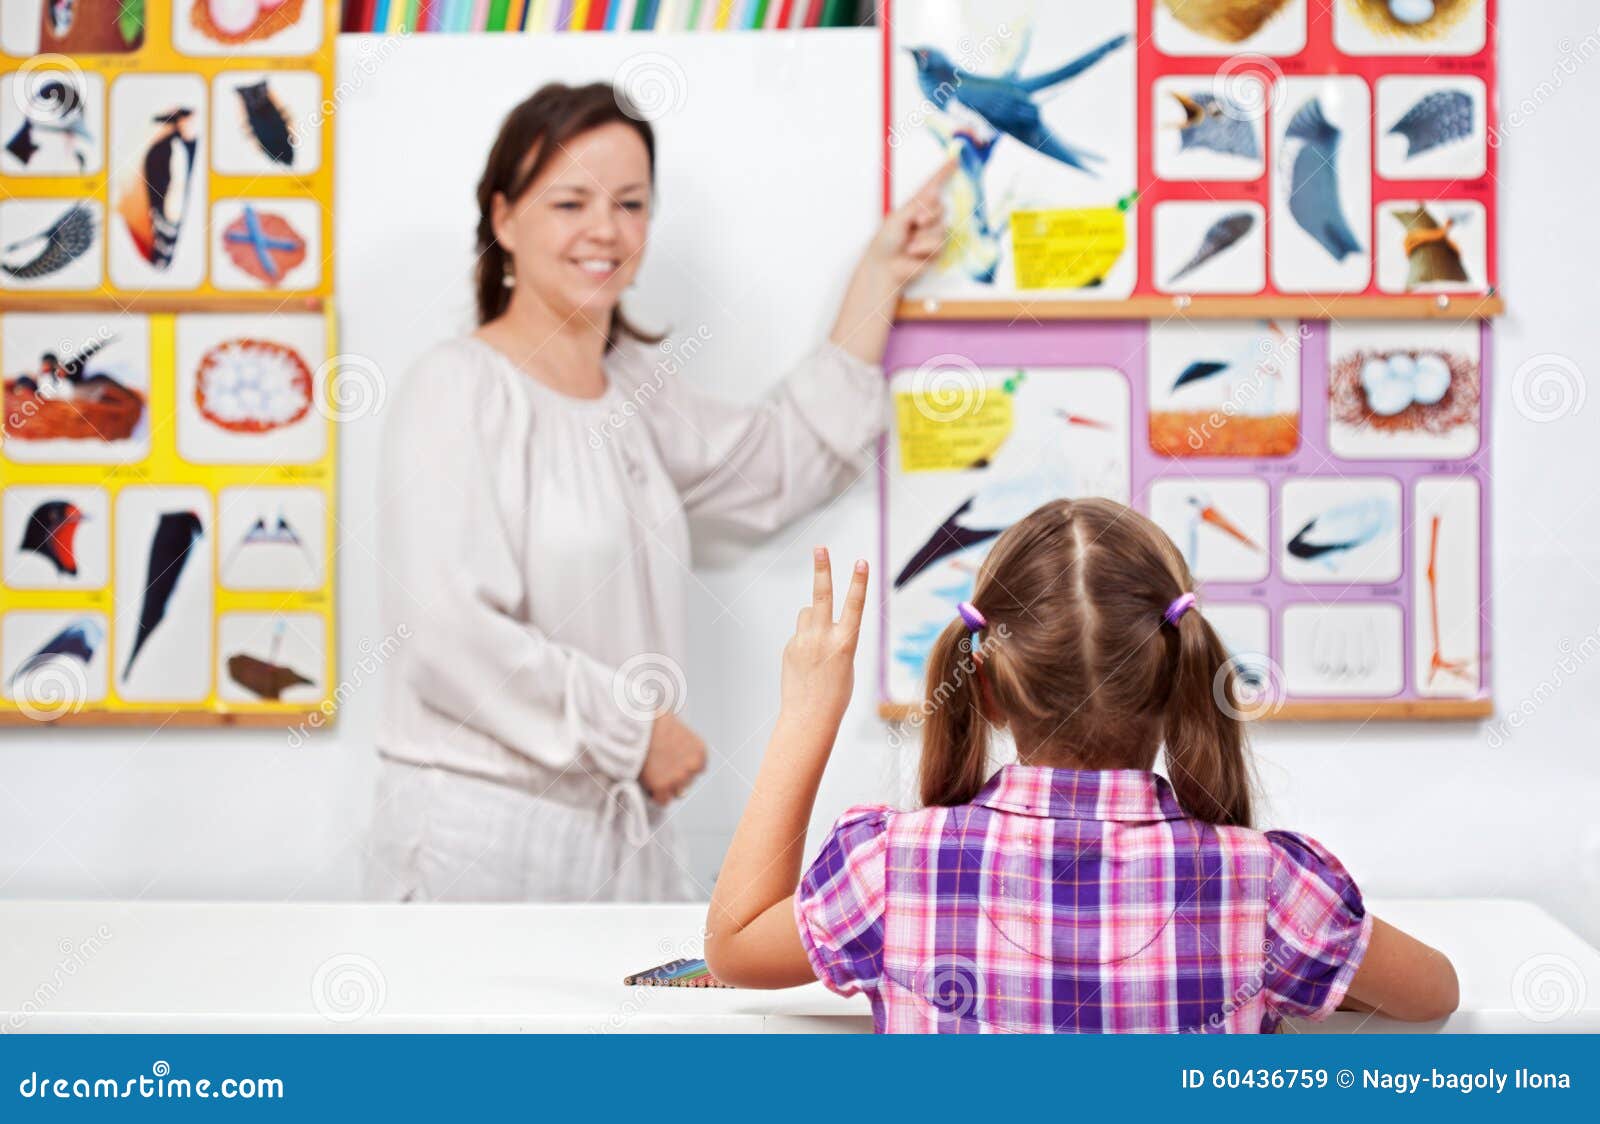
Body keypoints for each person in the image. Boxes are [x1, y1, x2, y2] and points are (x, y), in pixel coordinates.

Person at [366, 81, 951, 903]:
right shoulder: (457, 389)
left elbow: (781, 463)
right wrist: (632, 731)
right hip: (480, 832)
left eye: (631, 203)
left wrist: (881, 273)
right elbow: (446, 634)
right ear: (503, 218)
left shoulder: (636, 391)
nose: (605, 230)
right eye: (570, 202)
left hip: (615, 833)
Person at [705, 498, 1460, 1032]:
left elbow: (734, 946)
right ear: (1178, 683)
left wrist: (807, 713)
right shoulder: (1270, 888)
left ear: (990, 689)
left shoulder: (889, 871)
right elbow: (1435, 994)